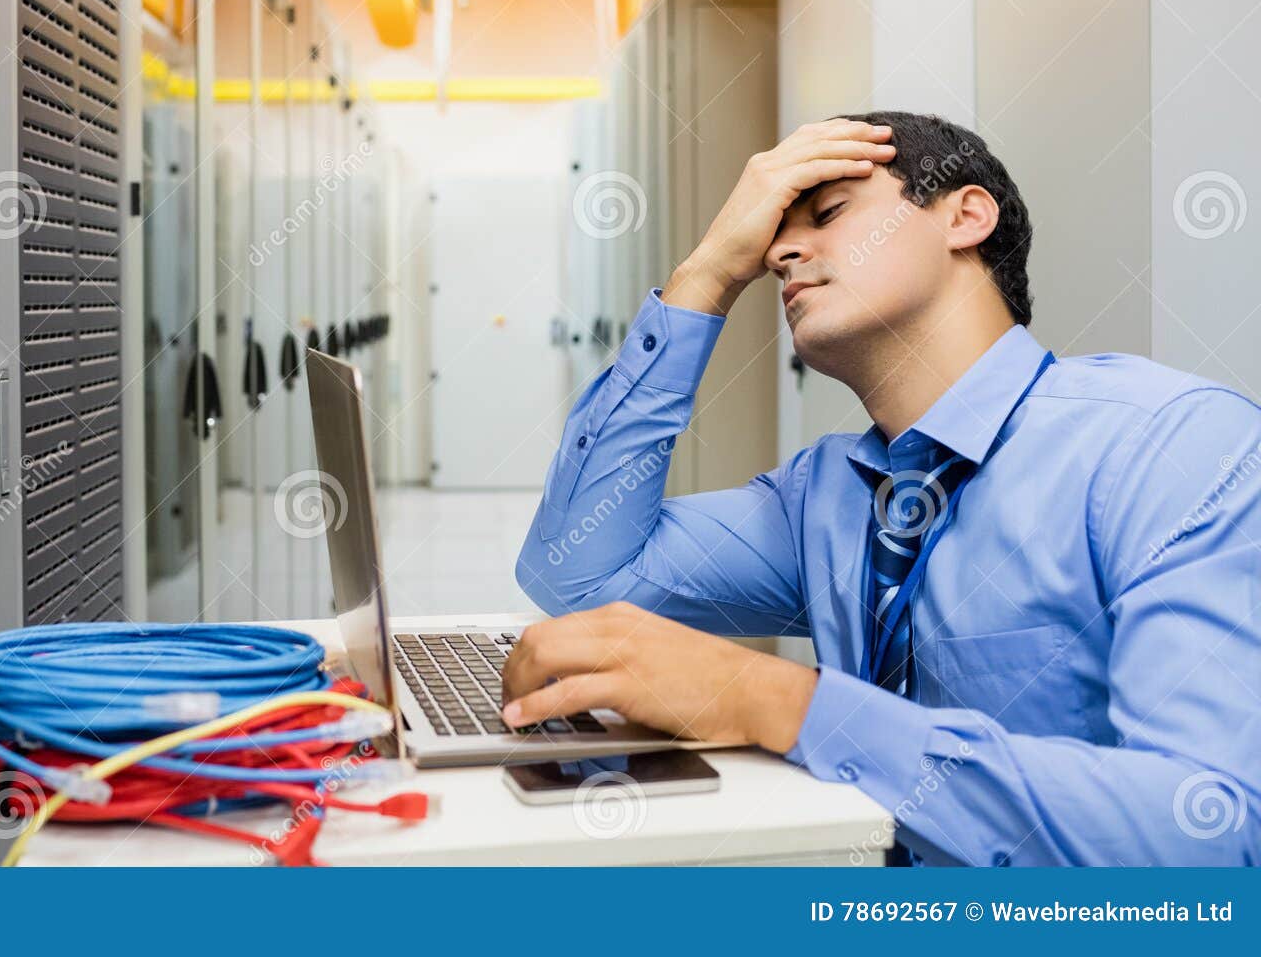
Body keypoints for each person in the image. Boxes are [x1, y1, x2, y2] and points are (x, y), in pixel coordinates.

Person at [504, 112, 1261, 865]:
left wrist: (779, 701)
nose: (781, 252)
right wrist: (706, 272)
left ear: (964, 216)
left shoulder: (1170, 447)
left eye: (828, 214)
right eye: (770, 240)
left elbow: (1215, 840)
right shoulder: (825, 497)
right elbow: (575, 570)